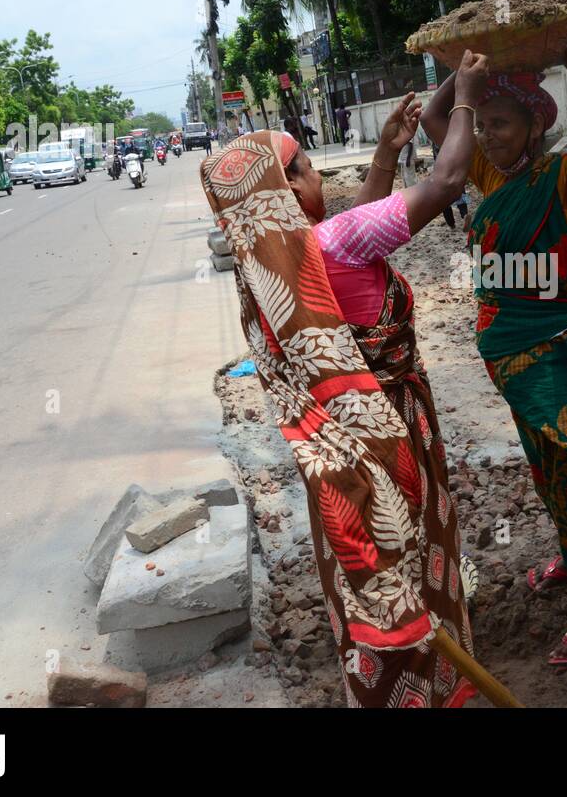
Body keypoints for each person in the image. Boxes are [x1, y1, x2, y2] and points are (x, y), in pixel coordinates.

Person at [201, 50, 491, 707]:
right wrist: (467, 93)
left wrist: (386, 153)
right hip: (392, 432)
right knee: (418, 555)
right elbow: (446, 183)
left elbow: (354, 238)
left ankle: (389, 691)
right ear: (279, 192)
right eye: (300, 167)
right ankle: (443, 687)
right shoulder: (338, 243)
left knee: (367, 569)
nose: (314, 174)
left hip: (337, 454)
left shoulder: (272, 273)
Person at [422, 34, 567, 668]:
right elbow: (434, 120)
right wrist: (463, 73)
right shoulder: (492, 176)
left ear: (534, 126)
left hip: (564, 364)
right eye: (486, 124)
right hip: (518, 371)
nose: (488, 136)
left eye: (501, 123)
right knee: (549, 473)